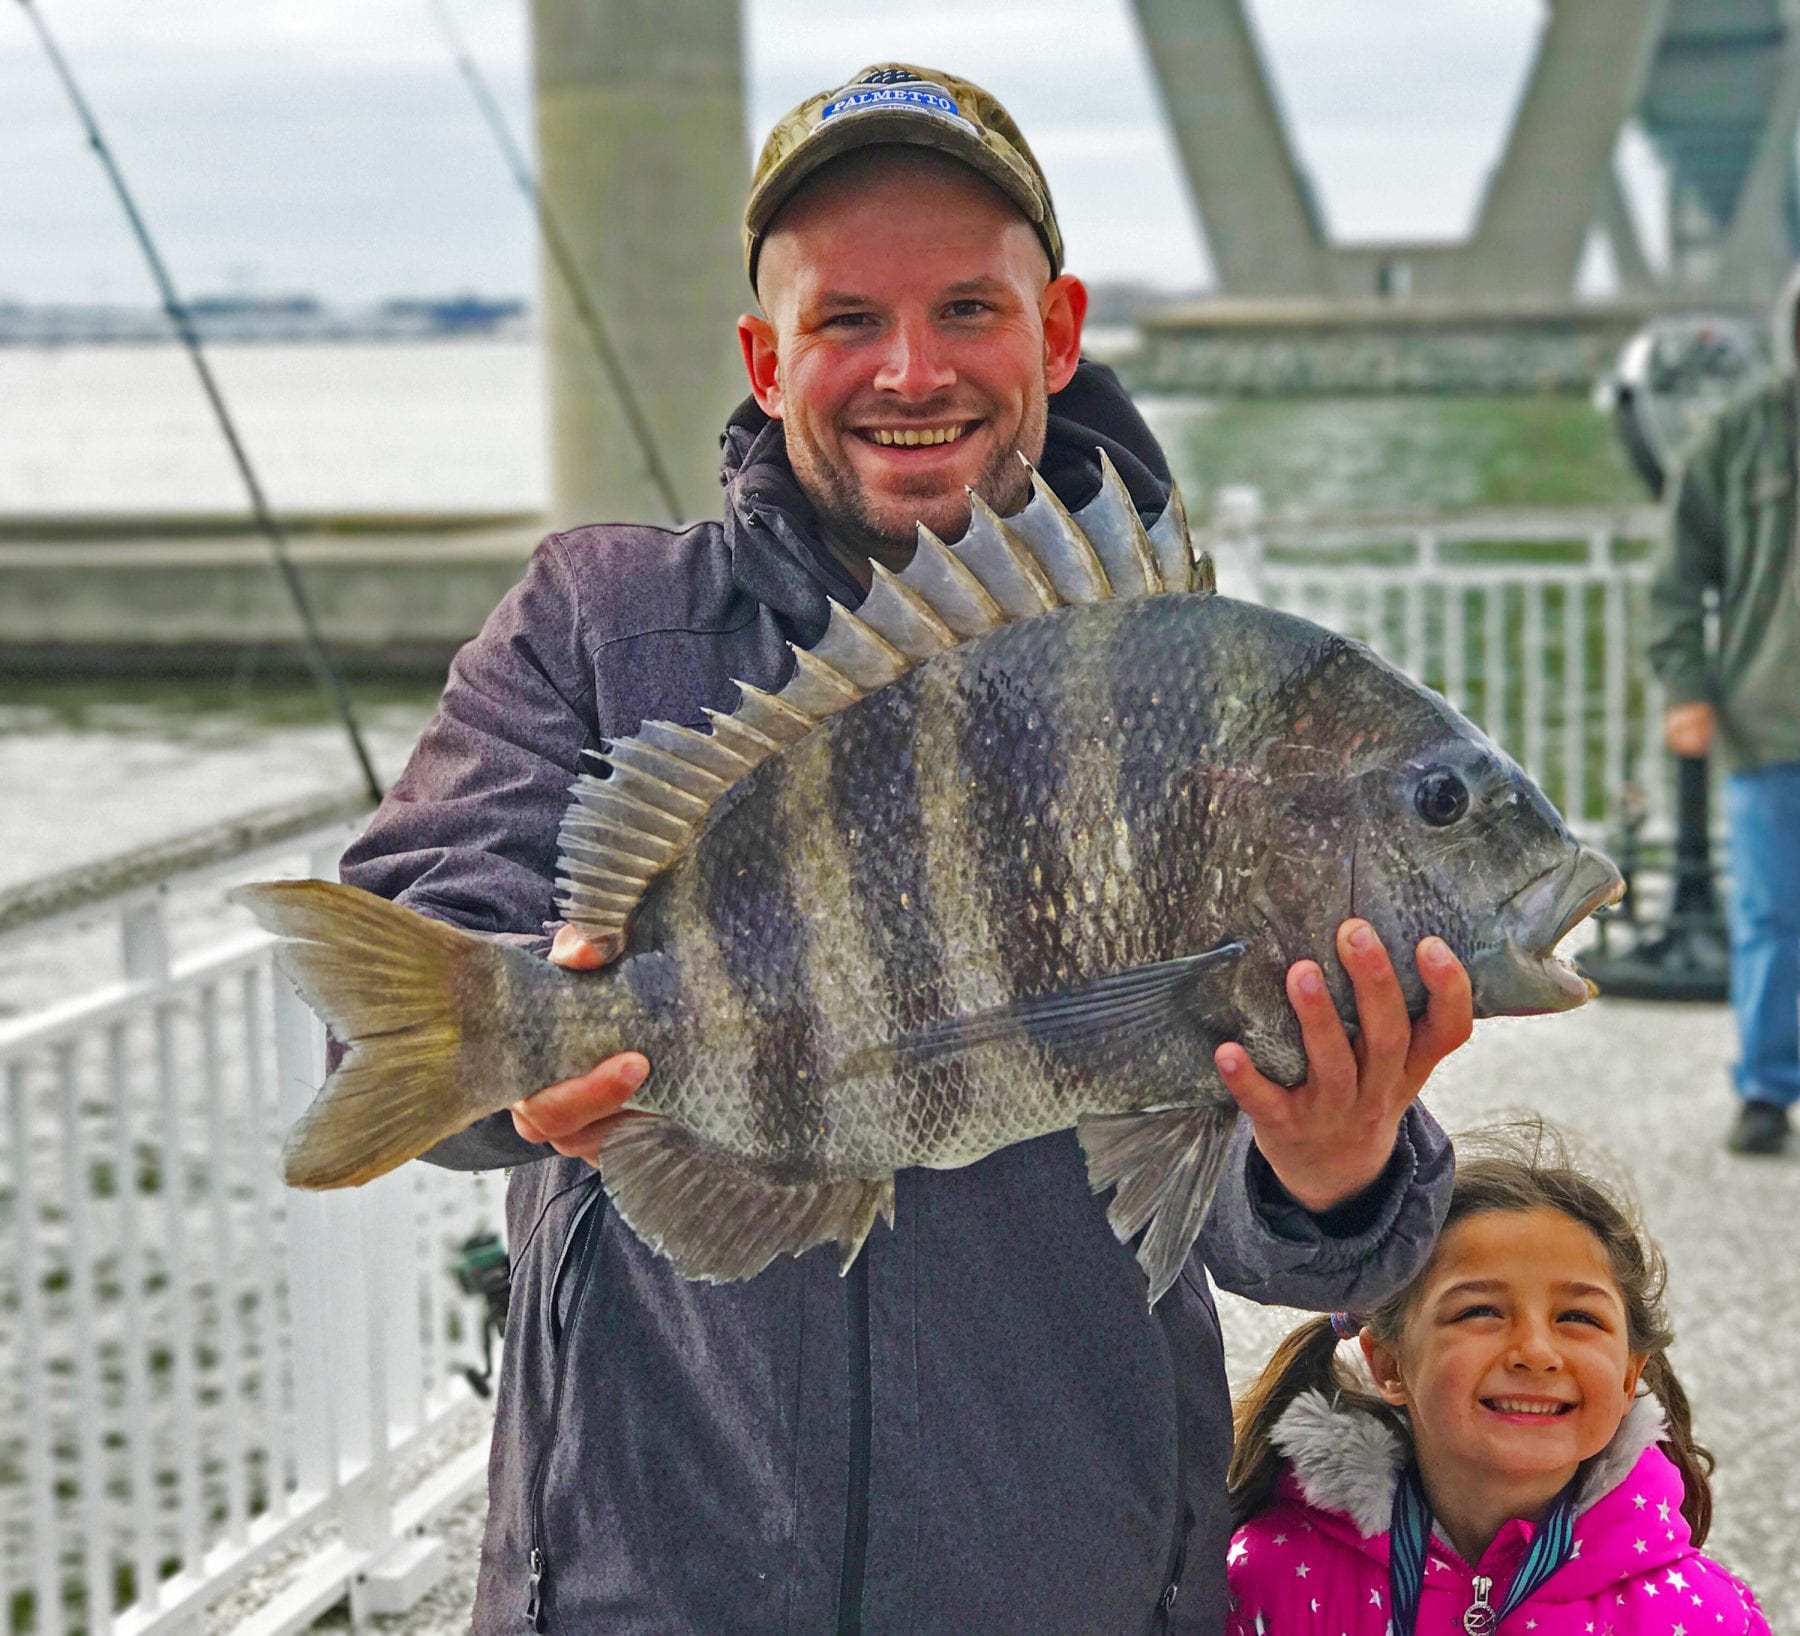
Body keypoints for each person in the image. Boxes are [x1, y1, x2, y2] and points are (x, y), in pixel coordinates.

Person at [340, 64, 1473, 1633]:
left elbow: (1265, 1225)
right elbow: (395, 989)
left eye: (966, 309)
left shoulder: (1197, 694)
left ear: (1057, 332)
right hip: (646, 1587)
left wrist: (1333, 1170)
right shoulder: (598, 623)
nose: (911, 369)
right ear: (767, 358)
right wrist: (527, 1041)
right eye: (849, 320)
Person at [1222, 1121, 1770, 1635]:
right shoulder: (1270, 1576)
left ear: (1630, 1377)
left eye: (1578, 1317)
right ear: (1390, 1365)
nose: (1536, 1352)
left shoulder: (1702, 1615)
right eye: (1480, 1311)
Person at [1649, 269, 1800, 1157]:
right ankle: (1768, 1089)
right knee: (1773, 917)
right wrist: (1687, 688)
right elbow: (1676, 581)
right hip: (1767, 720)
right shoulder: (1738, 437)